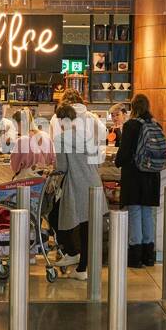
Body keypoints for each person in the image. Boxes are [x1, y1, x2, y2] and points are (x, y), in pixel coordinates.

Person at [53, 96, 105, 280]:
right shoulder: (89, 134)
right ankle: (83, 266)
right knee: (87, 227)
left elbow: (62, 168)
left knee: (58, 217)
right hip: (93, 183)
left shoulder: (60, 139)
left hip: (76, 184)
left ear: (60, 120)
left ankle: (76, 259)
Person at [115, 93, 163, 268]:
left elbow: (124, 153)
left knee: (135, 212)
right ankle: (148, 256)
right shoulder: (156, 124)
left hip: (135, 176)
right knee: (147, 214)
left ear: (133, 108)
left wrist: (117, 161)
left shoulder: (131, 125)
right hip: (152, 175)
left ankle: (135, 256)